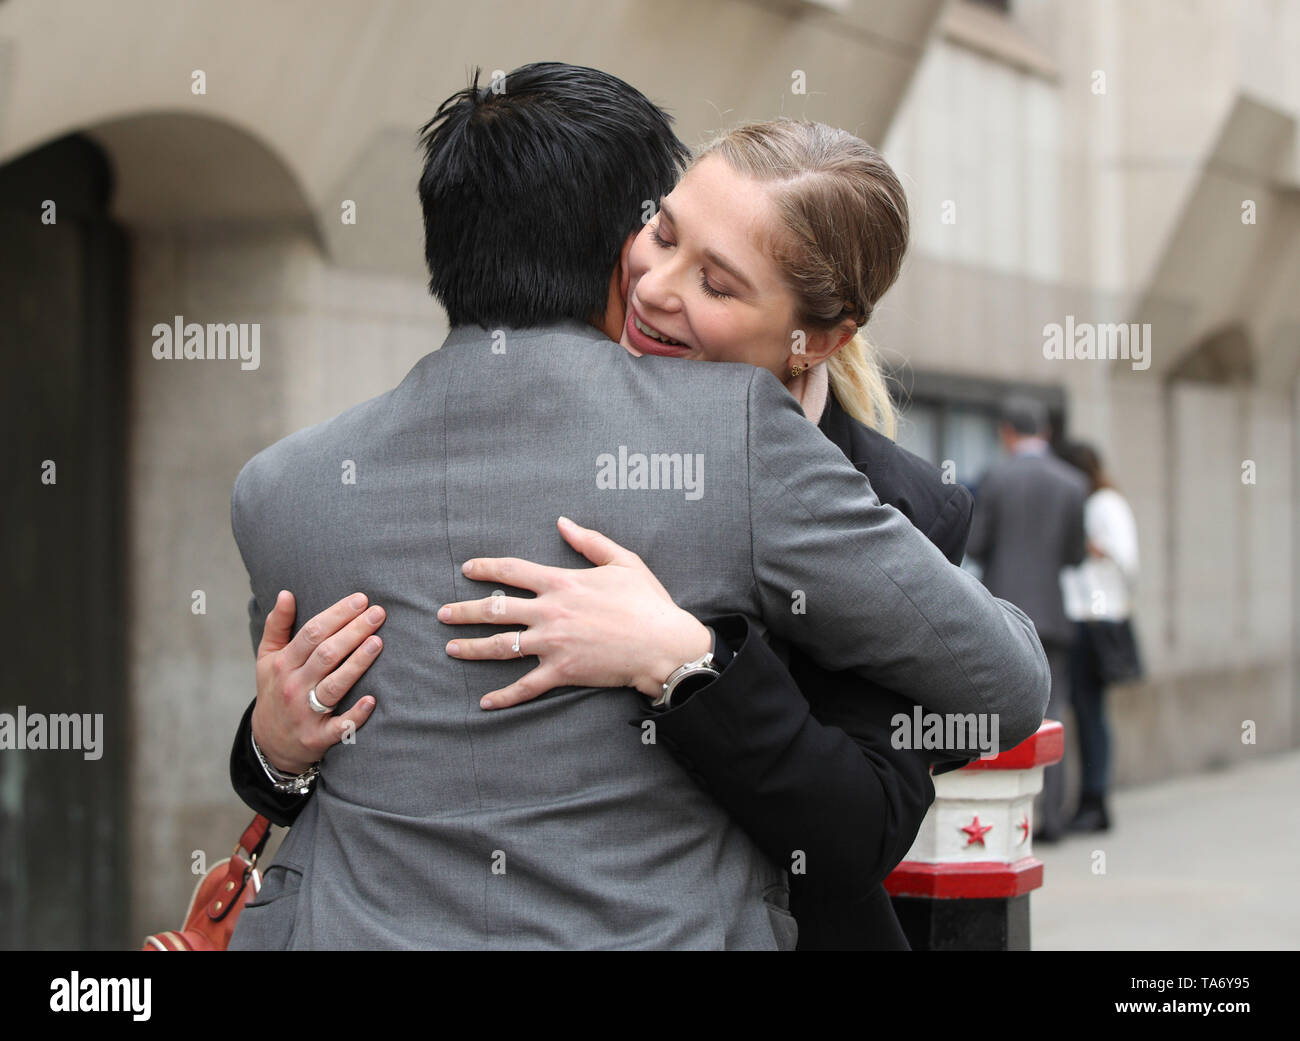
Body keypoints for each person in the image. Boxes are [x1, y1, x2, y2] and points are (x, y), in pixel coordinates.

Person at [227, 63, 1049, 950]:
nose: (658, 288)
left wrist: (688, 662)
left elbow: (858, 830)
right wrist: (273, 748)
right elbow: (380, 734)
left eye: (720, 284)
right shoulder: (384, 455)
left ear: (821, 337)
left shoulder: (880, 494)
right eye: (661, 232)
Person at [967, 395, 1089, 843]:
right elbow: (1075, 555)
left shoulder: (996, 477)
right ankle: (1050, 819)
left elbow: (976, 545)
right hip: (1053, 613)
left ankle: (1001, 817)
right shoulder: (1073, 483)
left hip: (1002, 612)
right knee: (1053, 713)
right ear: (1047, 433)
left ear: (1006, 432)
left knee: (998, 713)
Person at [1060, 442, 1140, 833]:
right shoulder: (1087, 502)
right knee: (1085, 711)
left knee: (1091, 714)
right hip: (1081, 619)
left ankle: (1095, 799)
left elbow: (1127, 558)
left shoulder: (1106, 504)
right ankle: (1091, 801)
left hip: (1098, 620)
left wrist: (1090, 548)